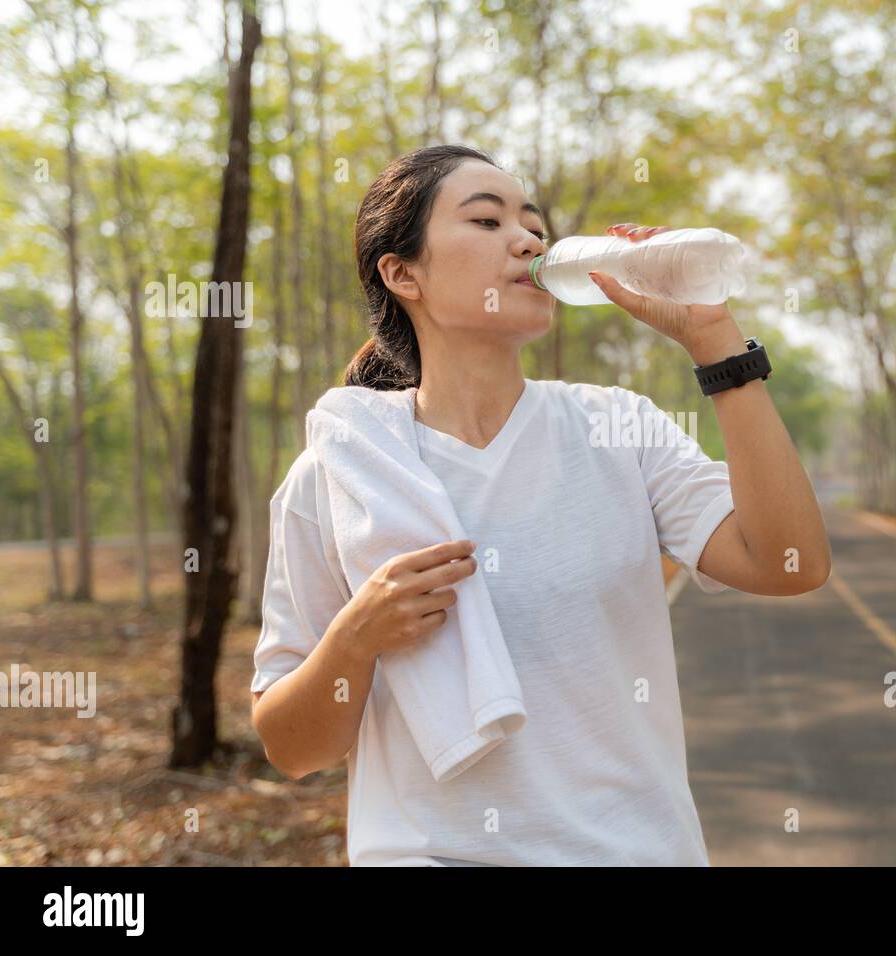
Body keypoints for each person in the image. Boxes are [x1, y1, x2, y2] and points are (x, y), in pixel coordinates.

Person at [249, 144, 831, 865]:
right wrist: (354, 639)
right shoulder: (342, 473)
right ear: (403, 273)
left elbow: (788, 563)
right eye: (487, 221)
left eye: (532, 223)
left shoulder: (618, 426)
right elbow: (294, 748)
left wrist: (716, 343)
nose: (527, 239)